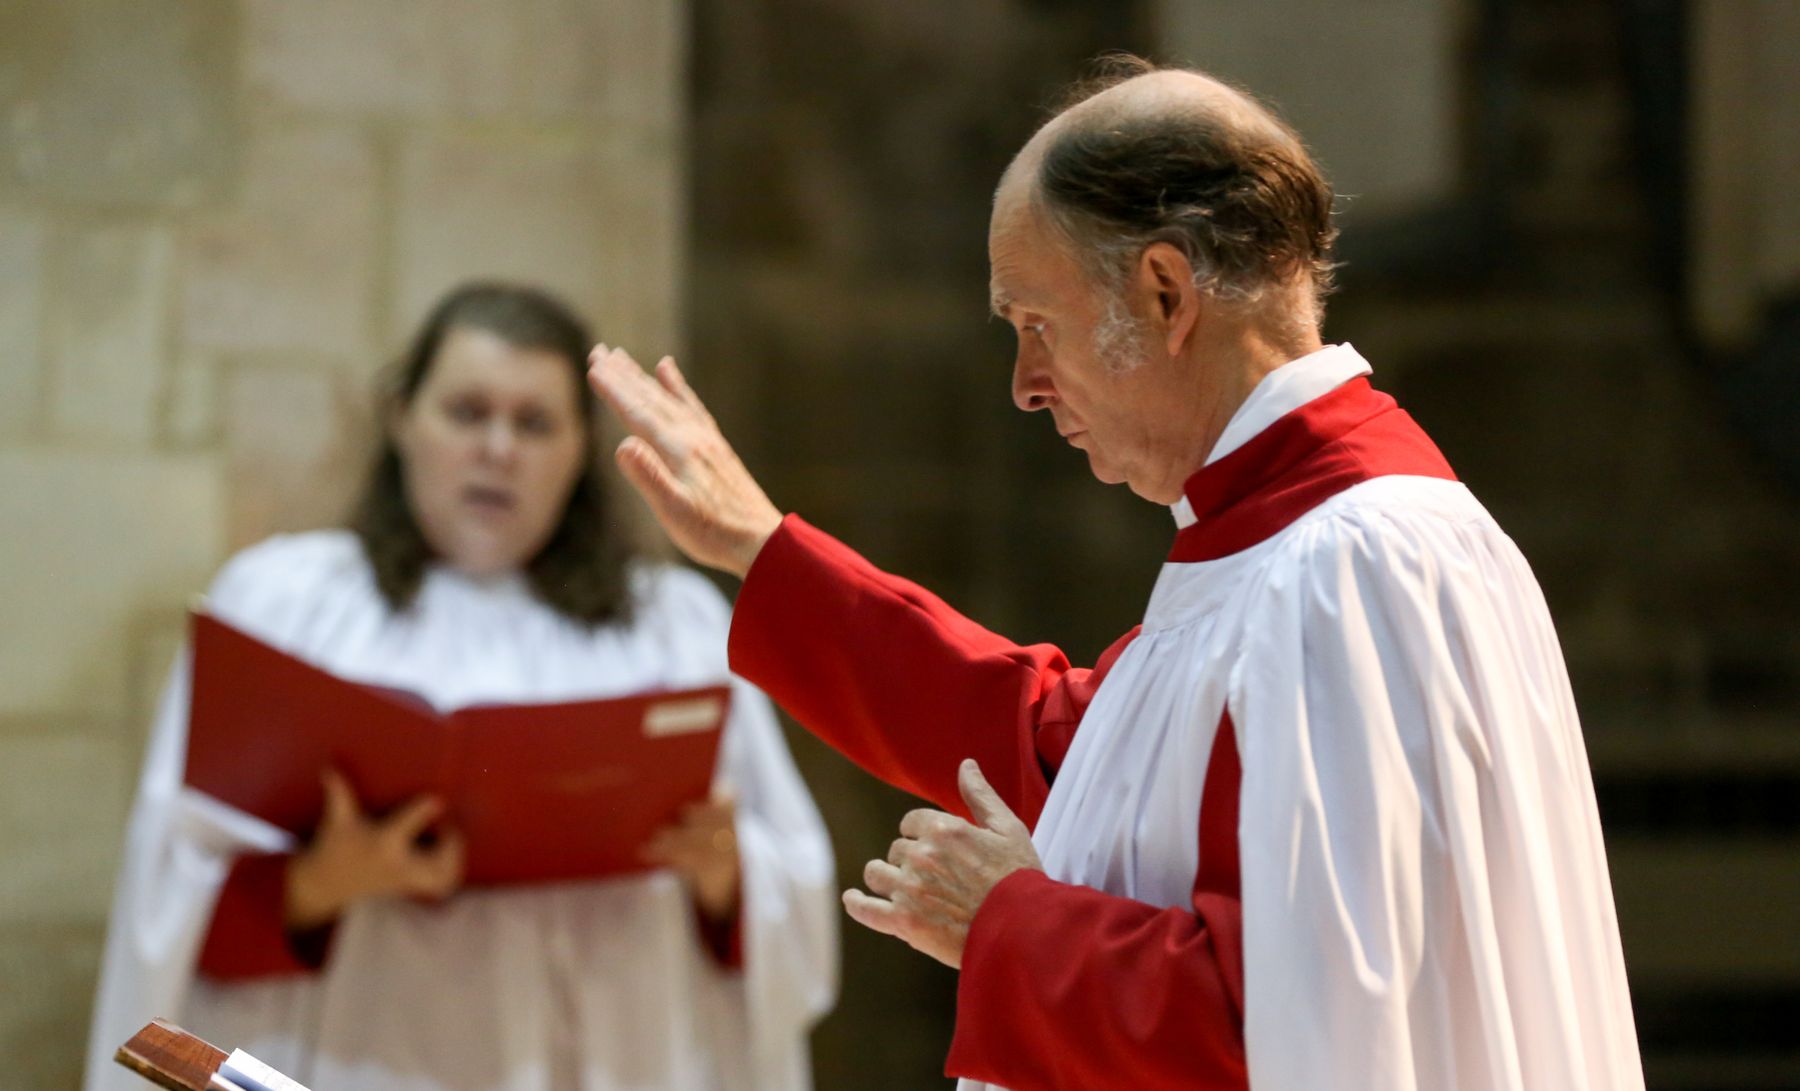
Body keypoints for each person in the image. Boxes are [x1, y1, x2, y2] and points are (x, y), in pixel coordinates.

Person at [588, 62, 1645, 1091]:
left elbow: (1294, 1031)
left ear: (1166, 290)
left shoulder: (1345, 568)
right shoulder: (1282, 545)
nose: (1024, 387)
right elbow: (1058, 742)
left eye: (1036, 326)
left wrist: (1005, 920)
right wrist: (759, 549)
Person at [84, 283, 838, 1091]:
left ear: (581, 448)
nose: (498, 448)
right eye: (467, 411)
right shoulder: (281, 606)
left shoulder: (675, 629)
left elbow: (791, 908)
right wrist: (322, 880)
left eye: (535, 422)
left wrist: (725, 872)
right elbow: (166, 909)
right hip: (356, 1056)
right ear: (402, 416)